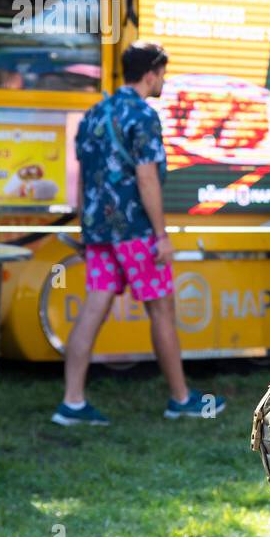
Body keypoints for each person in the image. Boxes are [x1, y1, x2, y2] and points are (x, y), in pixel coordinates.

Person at [56, 41, 225, 426]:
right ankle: (180, 399)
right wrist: (161, 235)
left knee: (94, 307)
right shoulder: (143, 116)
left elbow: (84, 177)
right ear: (151, 73)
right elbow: (147, 179)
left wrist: (87, 228)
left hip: (99, 231)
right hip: (135, 232)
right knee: (162, 309)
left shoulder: (95, 112)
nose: (164, 80)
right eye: (163, 73)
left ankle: (72, 402)